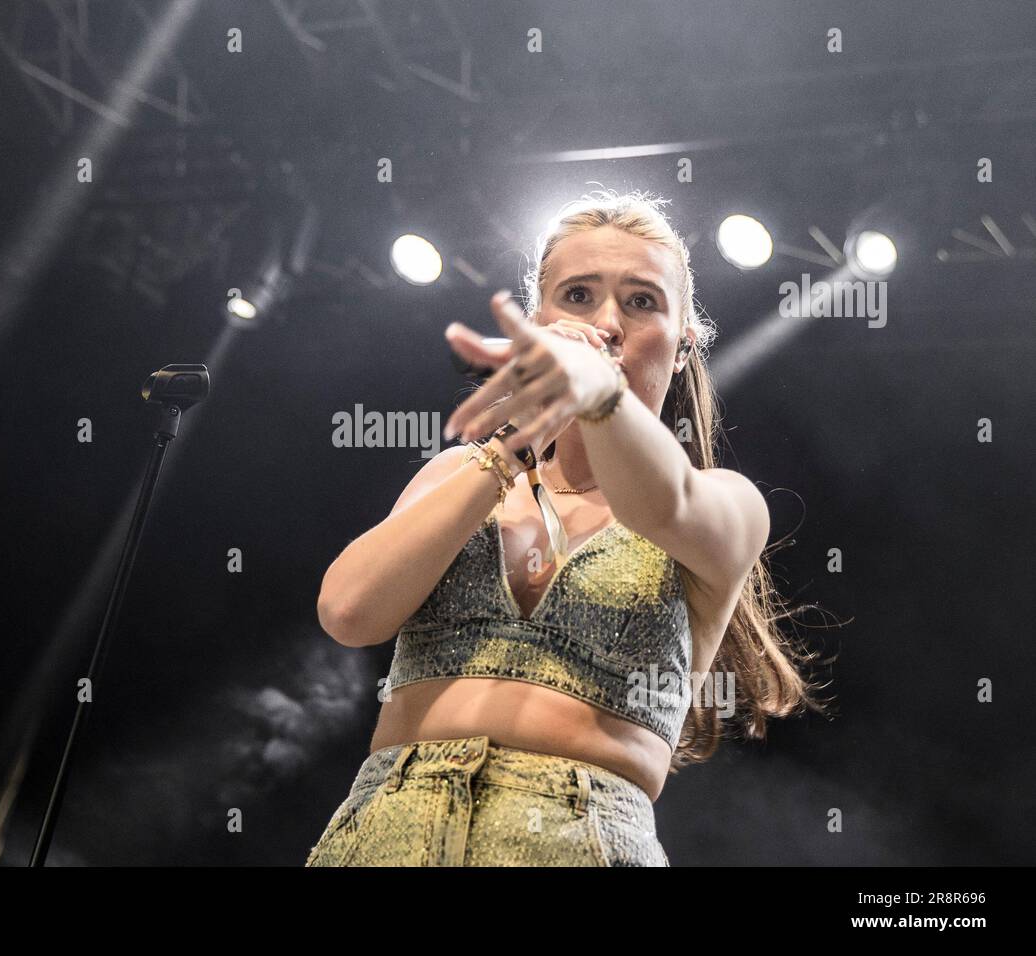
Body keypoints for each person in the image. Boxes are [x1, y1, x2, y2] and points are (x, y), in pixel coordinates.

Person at [309, 189, 829, 866]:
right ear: (539, 324)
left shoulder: (724, 502)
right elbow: (349, 611)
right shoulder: (461, 472)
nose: (606, 322)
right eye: (578, 296)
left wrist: (599, 392)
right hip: (388, 831)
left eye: (641, 301)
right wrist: (508, 447)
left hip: (582, 841)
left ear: (682, 346)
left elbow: (658, 506)